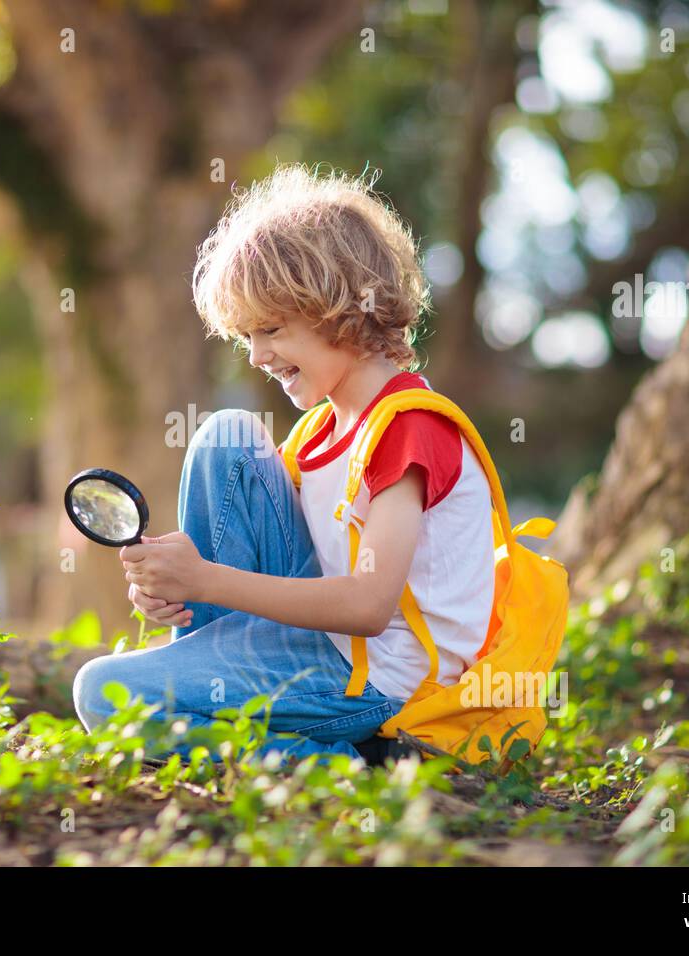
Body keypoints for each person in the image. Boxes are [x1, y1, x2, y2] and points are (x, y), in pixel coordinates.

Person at [72, 164, 496, 765]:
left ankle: (346, 764)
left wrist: (203, 580)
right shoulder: (320, 430)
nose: (256, 354)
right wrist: (178, 594)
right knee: (228, 438)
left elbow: (369, 608)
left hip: (380, 684)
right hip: (320, 648)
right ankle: (208, 669)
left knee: (104, 695)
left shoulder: (410, 427)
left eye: (270, 329)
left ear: (341, 309)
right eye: (246, 335)